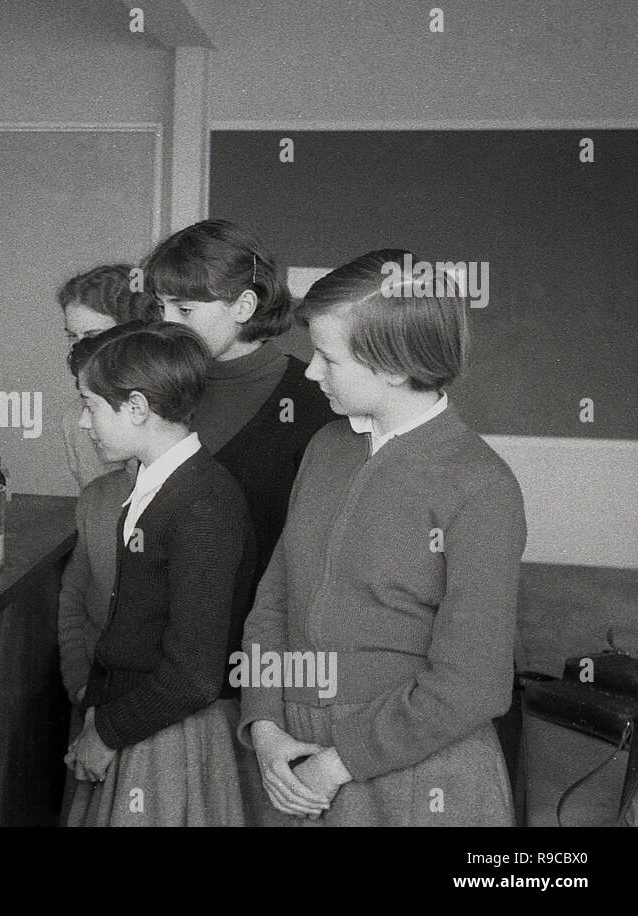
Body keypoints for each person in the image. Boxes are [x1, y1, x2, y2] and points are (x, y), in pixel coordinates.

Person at [238, 250, 527, 826]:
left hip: (415, 772)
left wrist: (339, 762)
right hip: (297, 759)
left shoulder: (481, 486)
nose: (312, 372)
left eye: (328, 357)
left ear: (394, 366)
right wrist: (266, 727)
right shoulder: (325, 448)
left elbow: (473, 683)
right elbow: (272, 603)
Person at [64, 321, 255, 826]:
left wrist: (106, 732)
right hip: (138, 722)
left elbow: (193, 676)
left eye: (91, 405)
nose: (84, 422)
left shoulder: (203, 503)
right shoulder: (158, 489)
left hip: (171, 738)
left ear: (136, 408)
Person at [145, 220, 336, 647]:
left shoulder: (316, 408)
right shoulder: (162, 393)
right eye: (161, 307)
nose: (166, 323)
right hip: (158, 652)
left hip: (255, 661)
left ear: (245, 306)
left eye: (184, 309)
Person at [56, 265, 160, 488]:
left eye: (95, 336)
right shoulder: (78, 418)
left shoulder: (170, 410)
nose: (80, 348)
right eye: (72, 336)